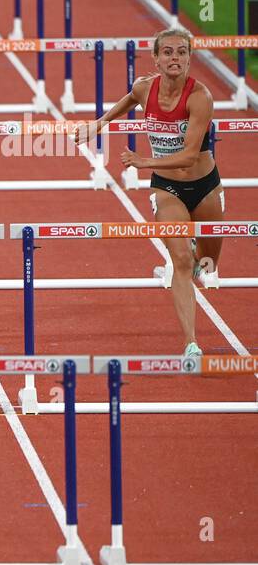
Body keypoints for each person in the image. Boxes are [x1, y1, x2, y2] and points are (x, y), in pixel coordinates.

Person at [76, 26, 220, 358]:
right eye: (168, 52)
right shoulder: (143, 88)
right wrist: (100, 122)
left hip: (205, 184)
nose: (175, 58)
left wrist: (142, 162)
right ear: (155, 58)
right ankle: (191, 344)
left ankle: (200, 253)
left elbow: (187, 154)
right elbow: (129, 100)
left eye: (182, 52)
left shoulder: (201, 97)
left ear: (189, 59)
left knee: (208, 265)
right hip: (167, 187)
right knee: (181, 261)